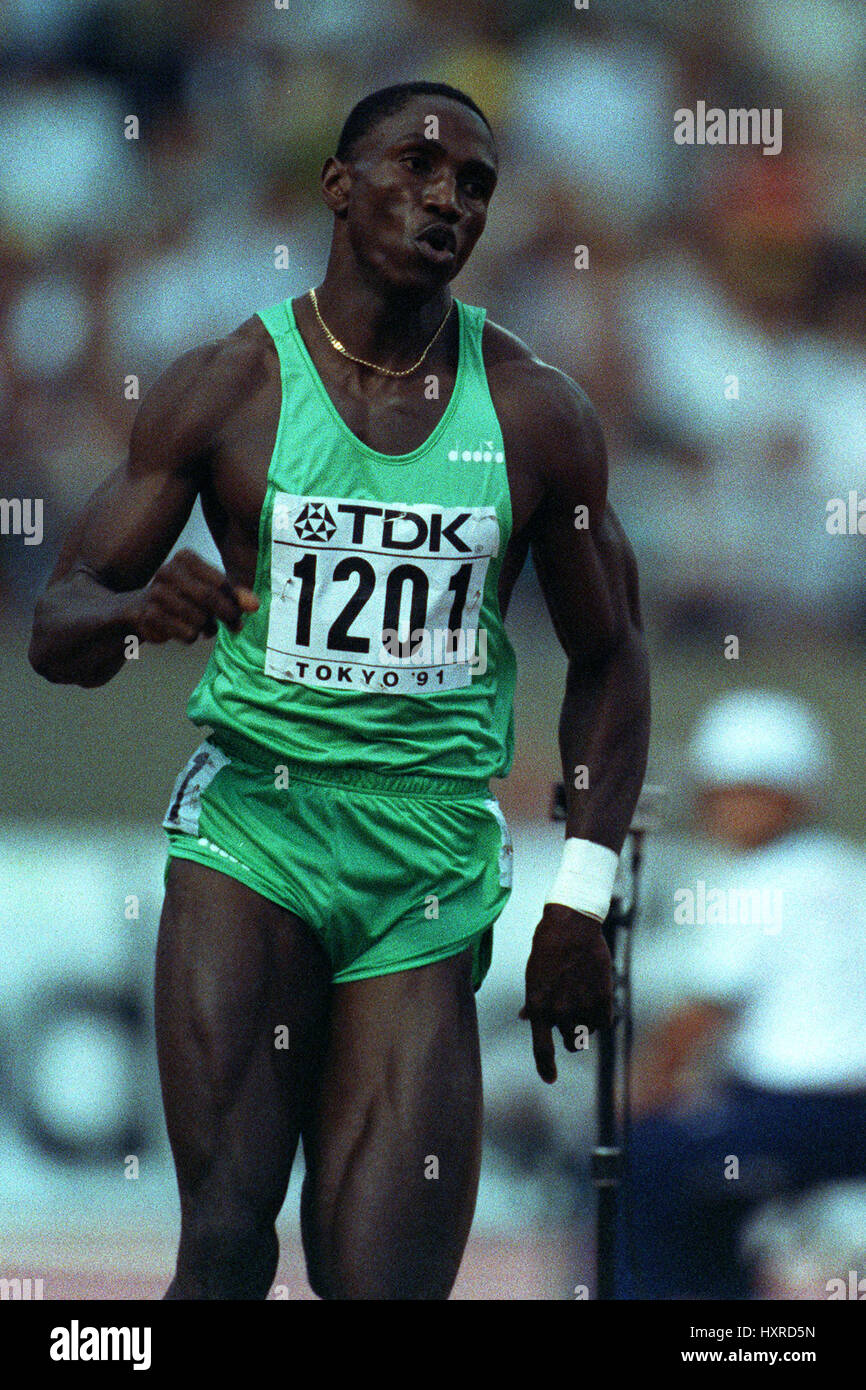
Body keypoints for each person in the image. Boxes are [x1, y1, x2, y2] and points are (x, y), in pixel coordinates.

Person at [28, 81, 650, 1300]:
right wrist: (134, 613)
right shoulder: (227, 385)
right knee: (221, 1240)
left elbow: (613, 653)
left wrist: (582, 894)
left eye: (474, 185)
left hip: (425, 859)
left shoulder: (533, 413)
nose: (447, 199)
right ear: (336, 185)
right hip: (255, 825)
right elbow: (61, 619)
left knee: (382, 1285)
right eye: (418, 167)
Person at [617, 690, 866, 1299]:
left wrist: (629, 1105)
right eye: (719, 792)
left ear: (794, 796)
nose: (725, 809)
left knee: (631, 1165)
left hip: (797, 1112)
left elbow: (692, 1023)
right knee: (696, 1170)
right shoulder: (848, 868)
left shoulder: (757, 883)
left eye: (744, 792)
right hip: (836, 1114)